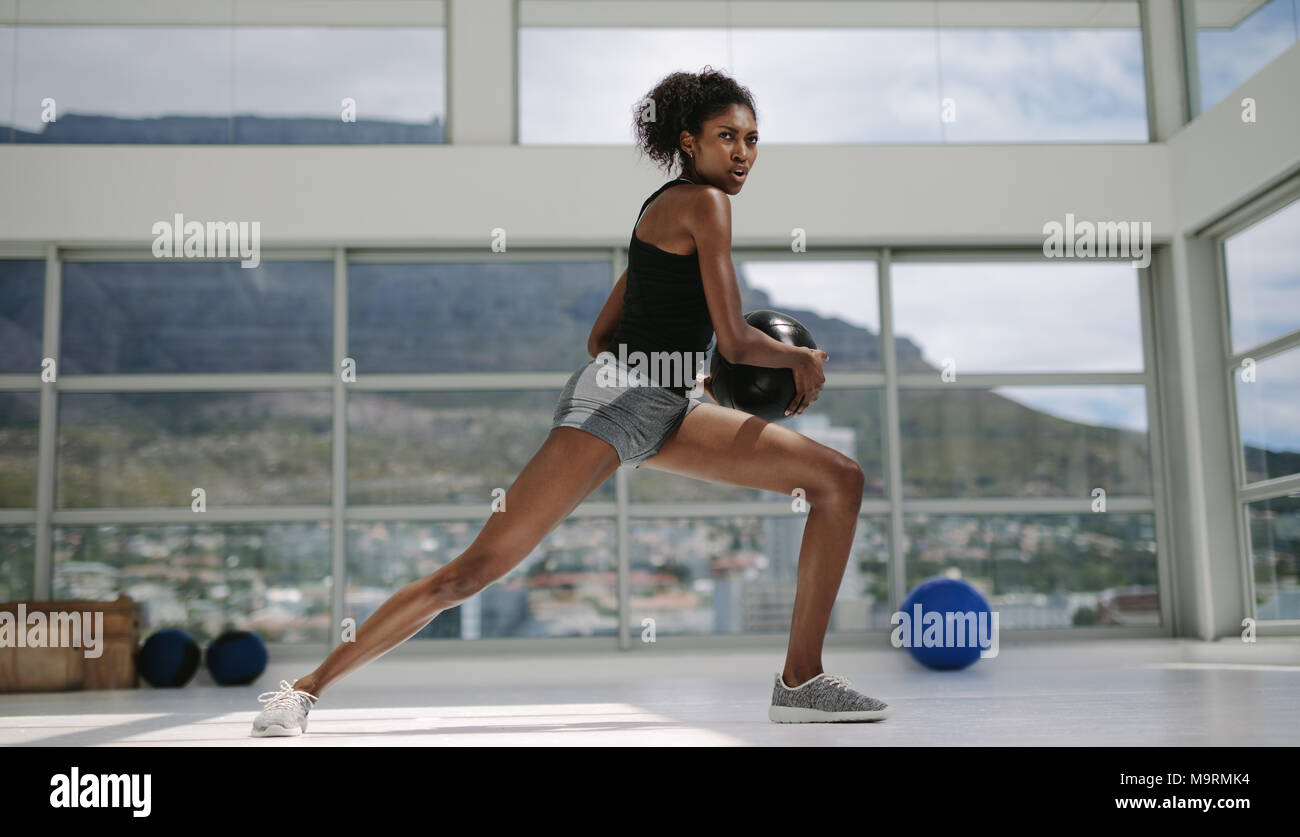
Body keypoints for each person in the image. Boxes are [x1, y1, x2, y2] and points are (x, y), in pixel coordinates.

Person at [251, 66, 889, 736]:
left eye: (753, 139)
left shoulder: (661, 213)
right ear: (688, 140)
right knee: (473, 572)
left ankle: (801, 680)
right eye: (726, 135)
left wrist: (687, 378)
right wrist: (796, 358)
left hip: (668, 406)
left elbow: (601, 336)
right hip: (616, 405)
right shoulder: (705, 204)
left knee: (838, 480)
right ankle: (302, 690)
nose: (741, 152)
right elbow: (732, 336)